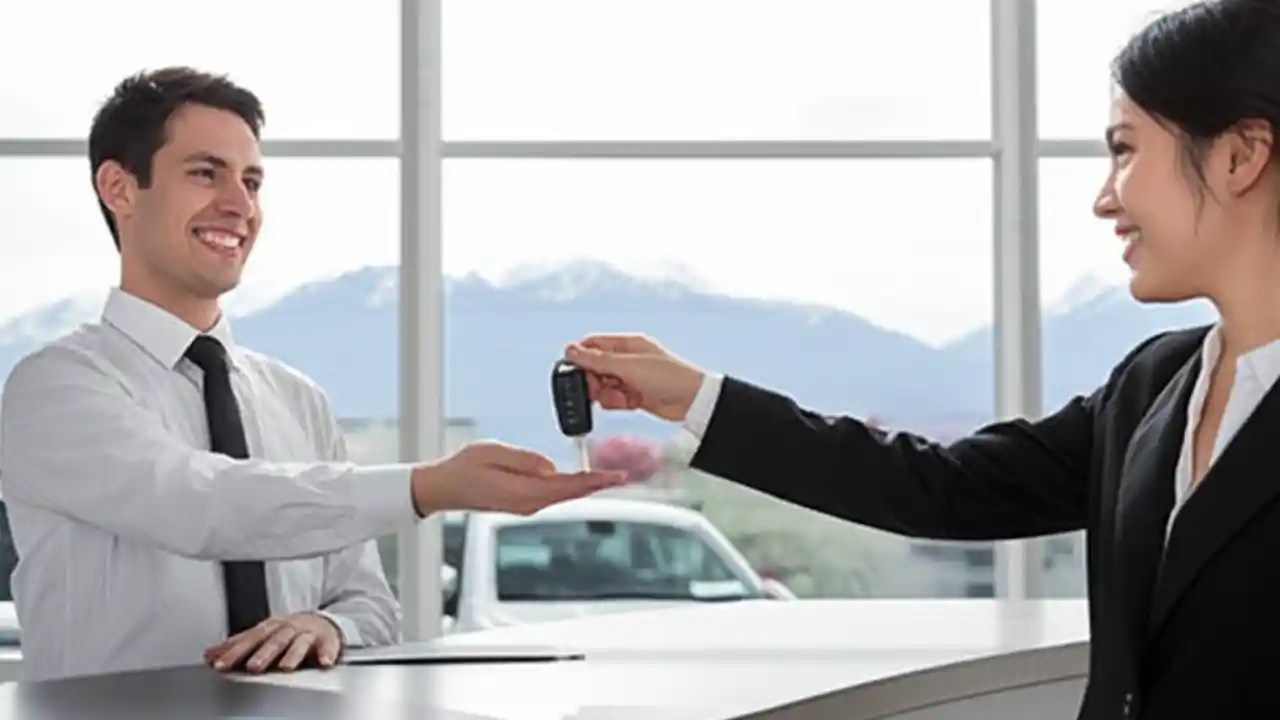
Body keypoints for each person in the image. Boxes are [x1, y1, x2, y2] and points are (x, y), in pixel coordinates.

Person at [564, 2, 1280, 718]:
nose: (1103, 198)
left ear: (1240, 155)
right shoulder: (1152, 387)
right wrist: (693, 395)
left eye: (1125, 150)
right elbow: (937, 486)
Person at [0, 67, 624, 682]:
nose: (240, 205)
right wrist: (431, 486)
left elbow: (371, 606)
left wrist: (329, 628)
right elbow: (201, 503)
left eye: (252, 181)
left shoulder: (297, 400)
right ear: (120, 188)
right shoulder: (55, 387)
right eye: (204, 173)